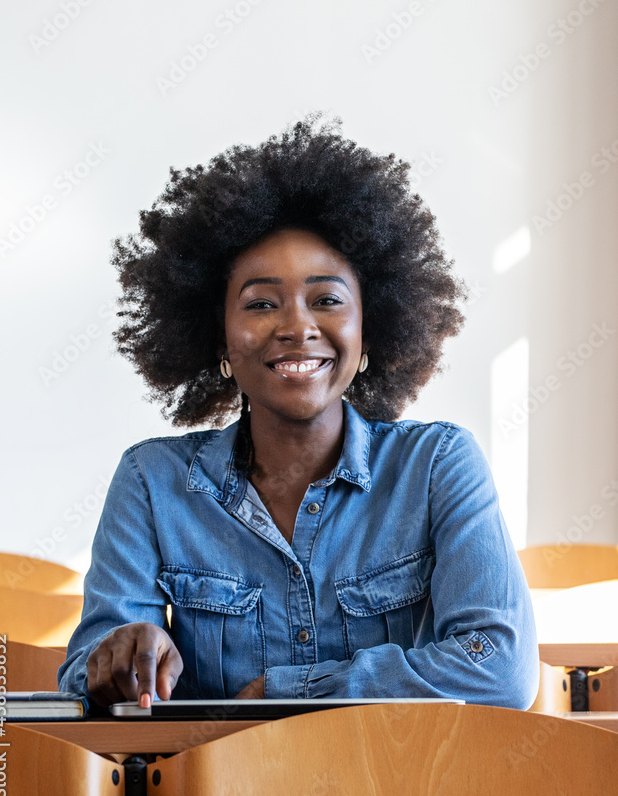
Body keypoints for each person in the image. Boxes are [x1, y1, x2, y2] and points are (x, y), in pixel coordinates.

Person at [58, 116, 540, 709]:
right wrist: (126, 655)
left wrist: (287, 693)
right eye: (261, 303)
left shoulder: (437, 465)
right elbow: (87, 675)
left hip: (397, 794)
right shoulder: (152, 482)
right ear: (219, 343)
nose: (296, 326)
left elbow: (501, 670)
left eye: (327, 299)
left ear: (369, 333)